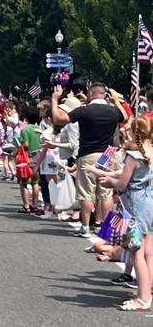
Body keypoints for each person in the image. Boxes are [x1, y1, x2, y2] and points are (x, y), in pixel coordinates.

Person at [52, 83, 128, 238]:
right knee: (105, 193)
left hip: (88, 153)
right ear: (104, 94)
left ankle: (85, 227)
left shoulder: (84, 110)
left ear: (91, 93)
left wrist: (54, 99)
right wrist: (116, 101)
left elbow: (59, 119)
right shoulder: (113, 111)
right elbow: (125, 117)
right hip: (108, 153)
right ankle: (105, 228)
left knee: (87, 193)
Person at [97, 117, 153, 311]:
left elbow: (122, 184)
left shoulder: (133, 155)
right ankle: (146, 290)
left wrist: (110, 182)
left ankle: (143, 298)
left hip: (135, 204)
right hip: (149, 202)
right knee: (149, 252)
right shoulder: (151, 150)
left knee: (136, 251)